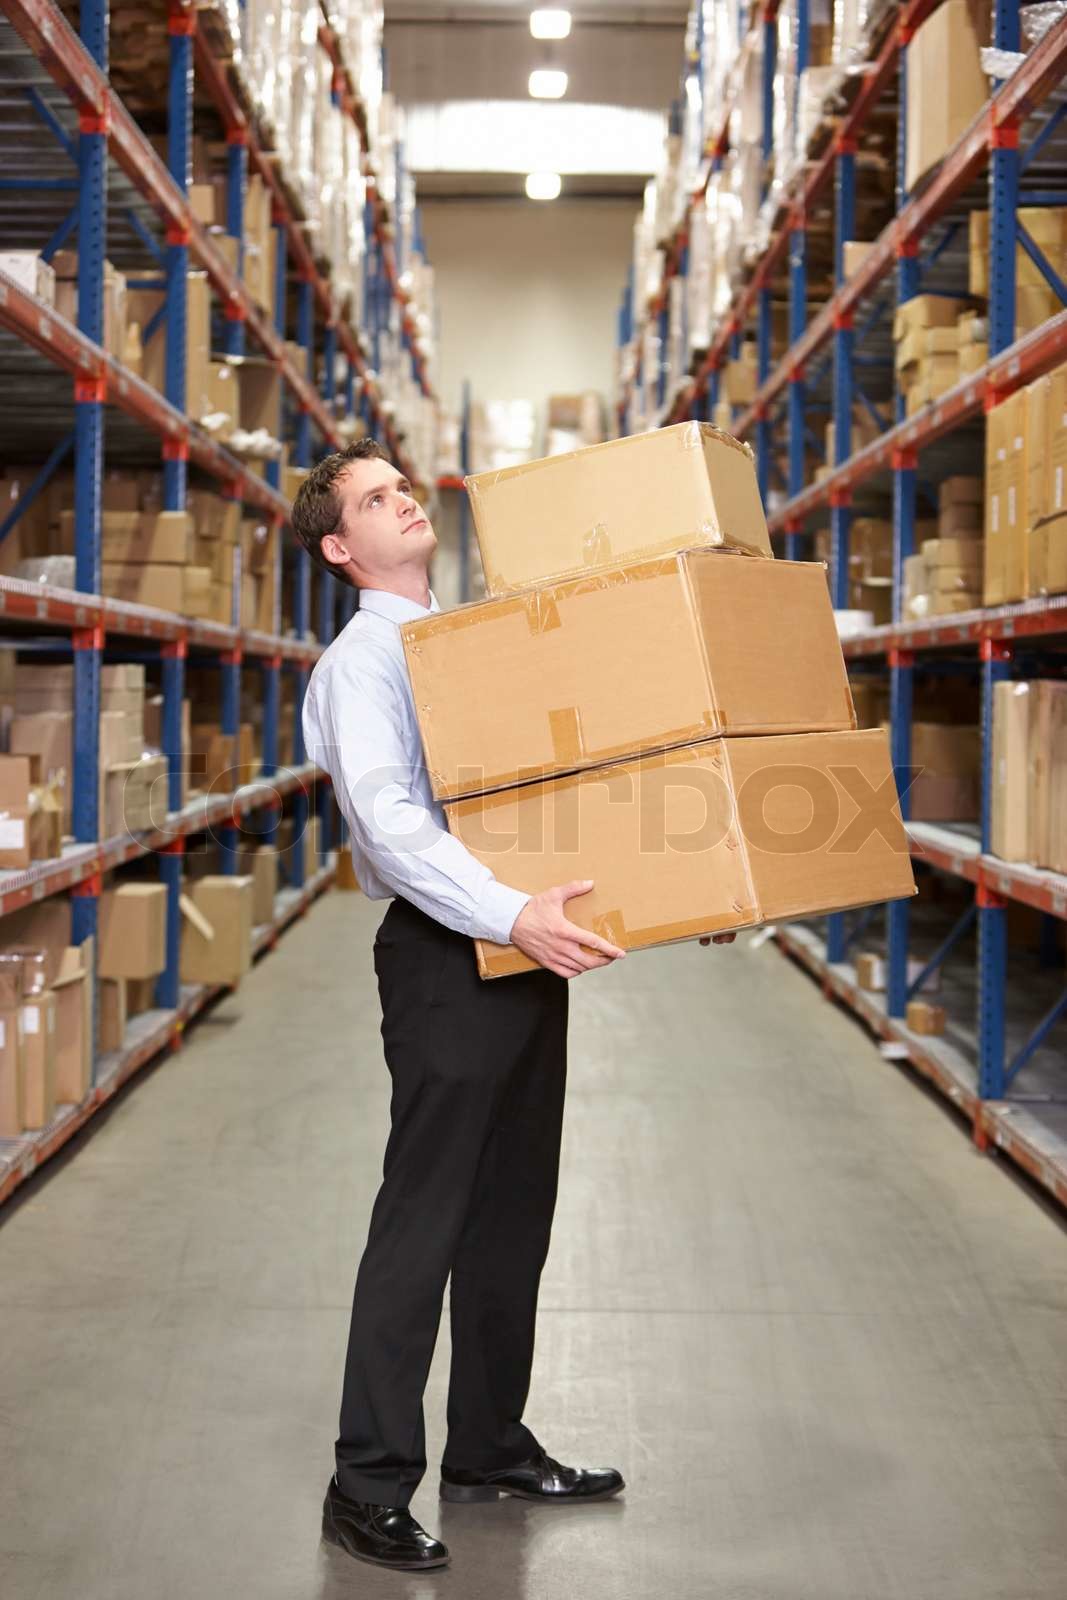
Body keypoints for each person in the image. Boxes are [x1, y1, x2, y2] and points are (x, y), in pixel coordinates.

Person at [295, 439, 732, 1573]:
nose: (402, 498)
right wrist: (507, 917)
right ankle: (367, 1479)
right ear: (341, 548)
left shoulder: (470, 642)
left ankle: (487, 1441)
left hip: (518, 942)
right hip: (450, 953)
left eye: (403, 483)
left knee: (512, 1210)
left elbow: (566, 791)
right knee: (424, 1216)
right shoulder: (362, 664)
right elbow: (392, 828)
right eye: (373, 497)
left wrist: (694, 887)